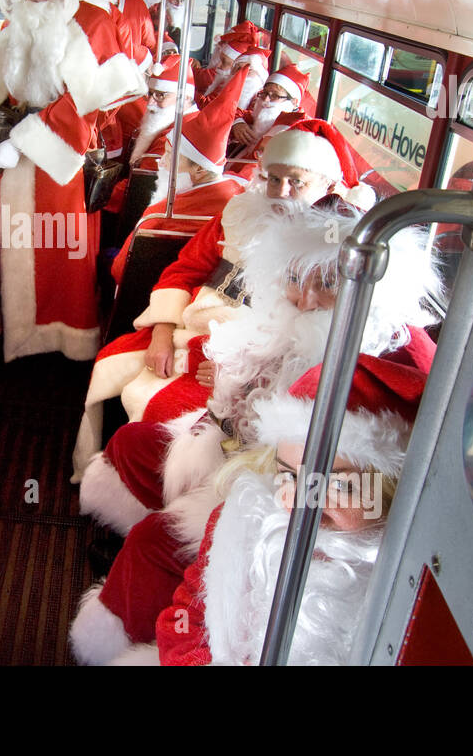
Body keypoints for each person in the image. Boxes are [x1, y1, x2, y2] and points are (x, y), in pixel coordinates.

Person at [70, 235, 438, 665]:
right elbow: (253, 425)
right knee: (132, 445)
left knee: (158, 540)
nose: (304, 299)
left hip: (264, 472)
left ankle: (123, 618)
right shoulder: (291, 324)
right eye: (296, 279)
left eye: (327, 284)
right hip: (259, 461)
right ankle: (134, 577)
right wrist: (229, 387)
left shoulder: (391, 351)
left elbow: (349, 478)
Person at [72, 118, 375, 479]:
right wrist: (162, 332)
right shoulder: (237, 214)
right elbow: (183, 271)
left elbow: (311, 343)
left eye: (297, 181)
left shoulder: (329, 249)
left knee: (164, 414)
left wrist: (239, 372)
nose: (280, 192)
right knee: (107, 363)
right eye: (273, 178)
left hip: (244, 361)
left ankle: (146, 500)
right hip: (192, 327)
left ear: (328, 184)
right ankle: (103, 471)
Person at [155, 350, 430, 665]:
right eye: (289, 475)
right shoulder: (241, 525)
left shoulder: (418, 602)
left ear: (393, 495)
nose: (302, 508)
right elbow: (185, 619)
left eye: (338, 486)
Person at [0, 0, 147, 361]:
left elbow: (100, 98)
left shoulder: (90, 23)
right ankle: (20, 336)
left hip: (61, 165)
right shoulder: (10, 29)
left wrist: (29, 139)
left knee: (64, 256)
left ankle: (68, 342)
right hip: (11, 167)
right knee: (13, 245)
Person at [110, 63, 251, 286]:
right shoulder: (240, 202)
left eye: (169, 157)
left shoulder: (158, 217)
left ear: (199, 169)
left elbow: (120, 271)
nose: (161, 162)